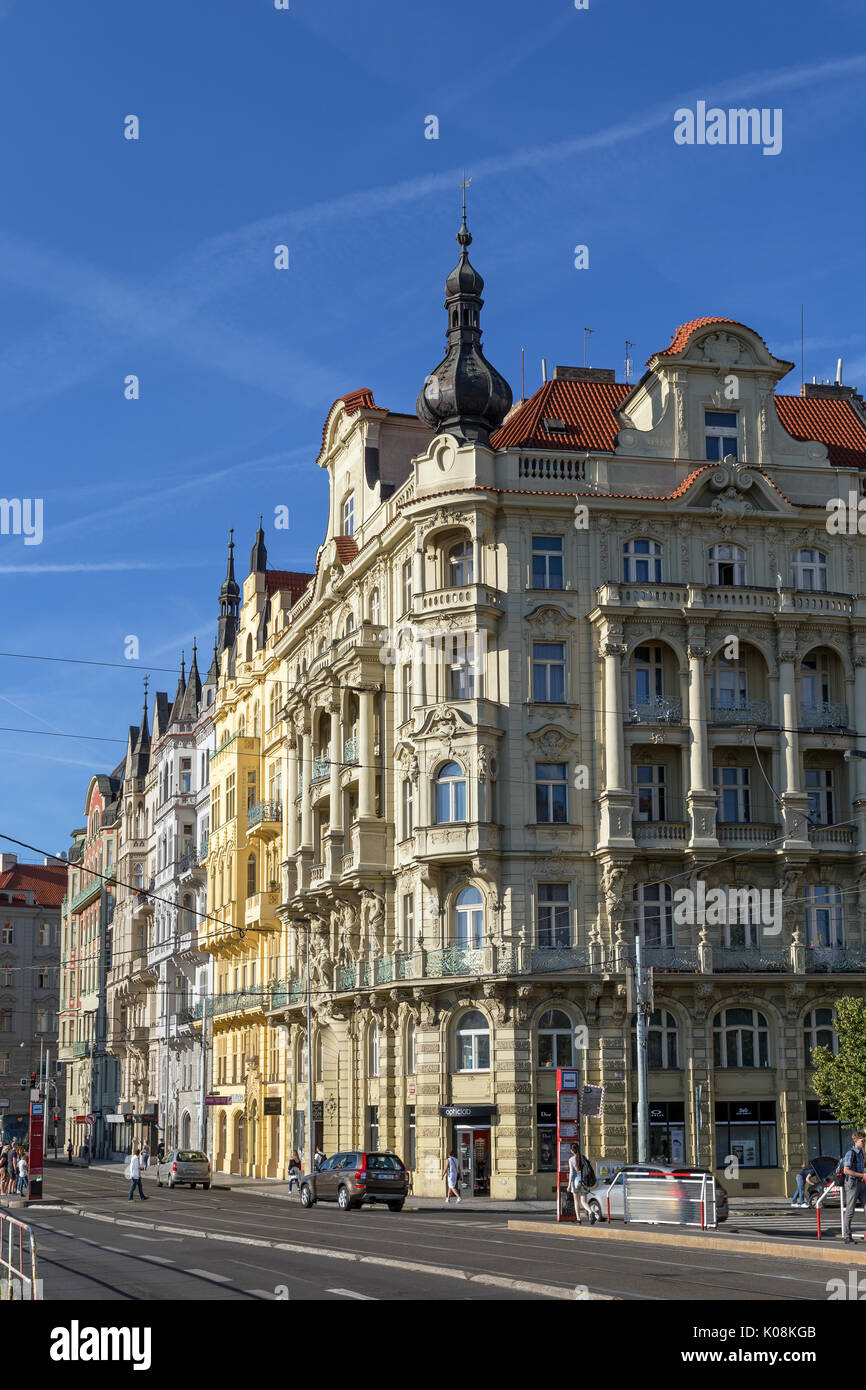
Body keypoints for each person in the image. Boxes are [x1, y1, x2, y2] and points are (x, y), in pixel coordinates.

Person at [842, 1131, 866, 1243]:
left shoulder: (861, 1153)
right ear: (856, 1141)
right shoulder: (850, 1153)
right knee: (850, 1210)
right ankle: (847, 1236)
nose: (865, 1143)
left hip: (861, 1183)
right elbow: (846, 1170)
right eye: (863, 1141)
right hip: (852, 1184)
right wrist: (862, 1175)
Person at [567, 1143, 597, 1224]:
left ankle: (578, 1219)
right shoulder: (583, 1157)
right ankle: (590, 1212)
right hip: (584, 1181)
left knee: (576, 1201)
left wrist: (569, 1185)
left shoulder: (571, 1160)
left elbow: (571, 1173)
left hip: (575, 1182)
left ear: (572, 1151)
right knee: (583, 1201)